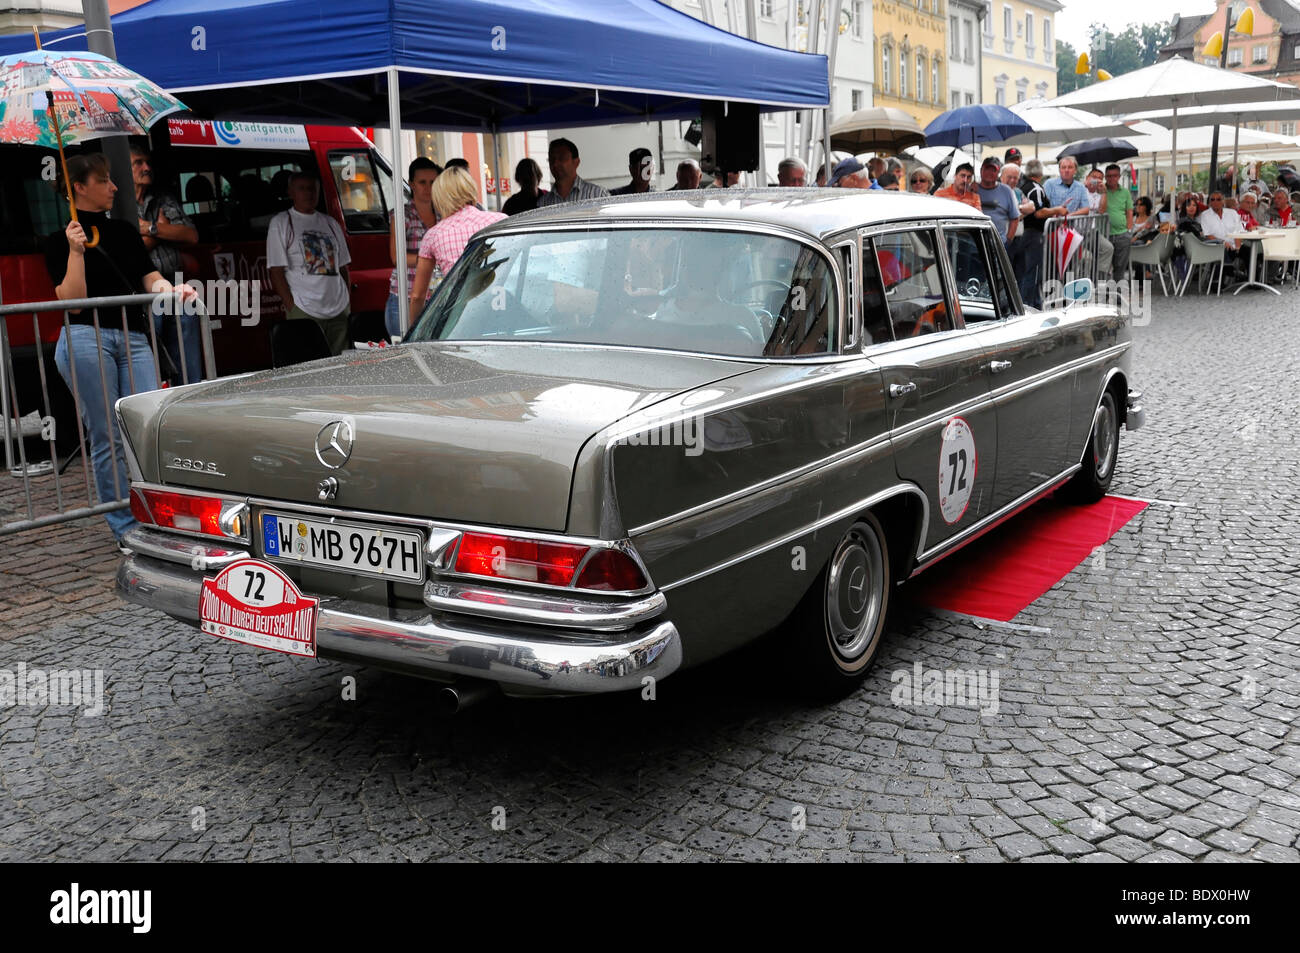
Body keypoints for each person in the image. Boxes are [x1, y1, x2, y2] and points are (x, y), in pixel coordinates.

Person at [44, 154, 198, 548]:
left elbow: (150, 276)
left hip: (132, 337)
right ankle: (123, 525)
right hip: (85, 337)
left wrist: (170, 290)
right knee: (108, 435)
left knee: (145, 426)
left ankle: (155, 513)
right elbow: (72, 303)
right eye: (103, 180)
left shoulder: (125, 231)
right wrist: (75, 252)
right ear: (80, 187)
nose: (114, 187)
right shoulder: (59, 239)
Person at [131, 144, 201, 384]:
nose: (146, 167)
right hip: (142, 293)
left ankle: (189, 403)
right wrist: (161, 234)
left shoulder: (163, 198)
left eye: (147, 162)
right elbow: (127, 253)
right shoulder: (115, 205)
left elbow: (191, 236)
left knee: (187, 354)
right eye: (138, 163)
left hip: (176, 285)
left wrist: (150, 228)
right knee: (151, 358)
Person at [267, 172, 352, 355]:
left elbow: (343, 267)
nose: (308, 193)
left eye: (312, 189)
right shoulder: (281, 223)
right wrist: (292, 305)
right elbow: (276, 271)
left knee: (342, 367)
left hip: (338, 309)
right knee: (308, 366)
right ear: (291, 192)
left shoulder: (331, 223)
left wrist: (346, 300)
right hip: (304, 308)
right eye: (302, 189)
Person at [408, 166, 507, 315]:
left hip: (460, 313)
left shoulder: (434, 234)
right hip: (501, 303)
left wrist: (414, 332)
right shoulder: (500, 220)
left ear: (439, 196)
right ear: (471, 189)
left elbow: (417, 296)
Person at [385, 157, 440, 338]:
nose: (428, 187)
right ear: (412, 184)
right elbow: (396, 257)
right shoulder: (401, 215)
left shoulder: (442, 215)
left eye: (432, 182)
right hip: (405, 296)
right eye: (422, 182)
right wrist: (427, 260)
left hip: (436, 297)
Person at [1016, 158, 1067, 308]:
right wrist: (1057, 210)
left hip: (1024, 233)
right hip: (1033, 233)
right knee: (1033, 271)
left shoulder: (1023, 186)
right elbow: (1039, 212)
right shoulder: (1036, 188)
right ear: (1040, 172)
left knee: (1027, 270)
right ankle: (1028, 305)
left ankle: (1034, 302)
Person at [537, 139, 610, 206]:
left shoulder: (598, 195)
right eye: (551, 159)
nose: (555, 164)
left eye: (561, 158)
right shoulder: (543, 202)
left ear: (576, 162)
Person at [1198, 191, 1249, 275]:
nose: (1215, 202)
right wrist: (1223, 242)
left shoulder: (1232, 213)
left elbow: (1239, 231)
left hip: (1234, 245)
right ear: (1209, 202)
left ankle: (1251, 280)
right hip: (1218, 246)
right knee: (1224, 251)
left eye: (1218, 199)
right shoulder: (1205, 215)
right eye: (1212, 199)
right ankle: (1227, 276)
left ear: (1223, 201)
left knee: (1249, 251)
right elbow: (1208, 235)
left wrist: (1238, 247)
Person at [976, 156, 1020, 244]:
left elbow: (1015, 218)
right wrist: (970, 191)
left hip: (998, 245)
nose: (990, 173)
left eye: (993, 170)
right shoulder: (972, 189)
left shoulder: (1006, 191)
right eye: (987, 169)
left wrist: (1008, 241)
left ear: (998, 173)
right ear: (981, 171)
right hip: (973, 244)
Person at [1104, 163, 1134, 280]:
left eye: (1115, 175)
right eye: (1109, 176)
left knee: (1120, 269)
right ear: (1105, 177)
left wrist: (1129, 230)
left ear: (1119, 176)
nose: (1112, 178)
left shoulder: (1125, 192)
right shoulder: (1101, 191)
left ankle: (1118, 297)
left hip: (1122, 234)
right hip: (1104, 235)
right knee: (1104, 268)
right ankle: (1104, 296)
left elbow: (1129, 211)